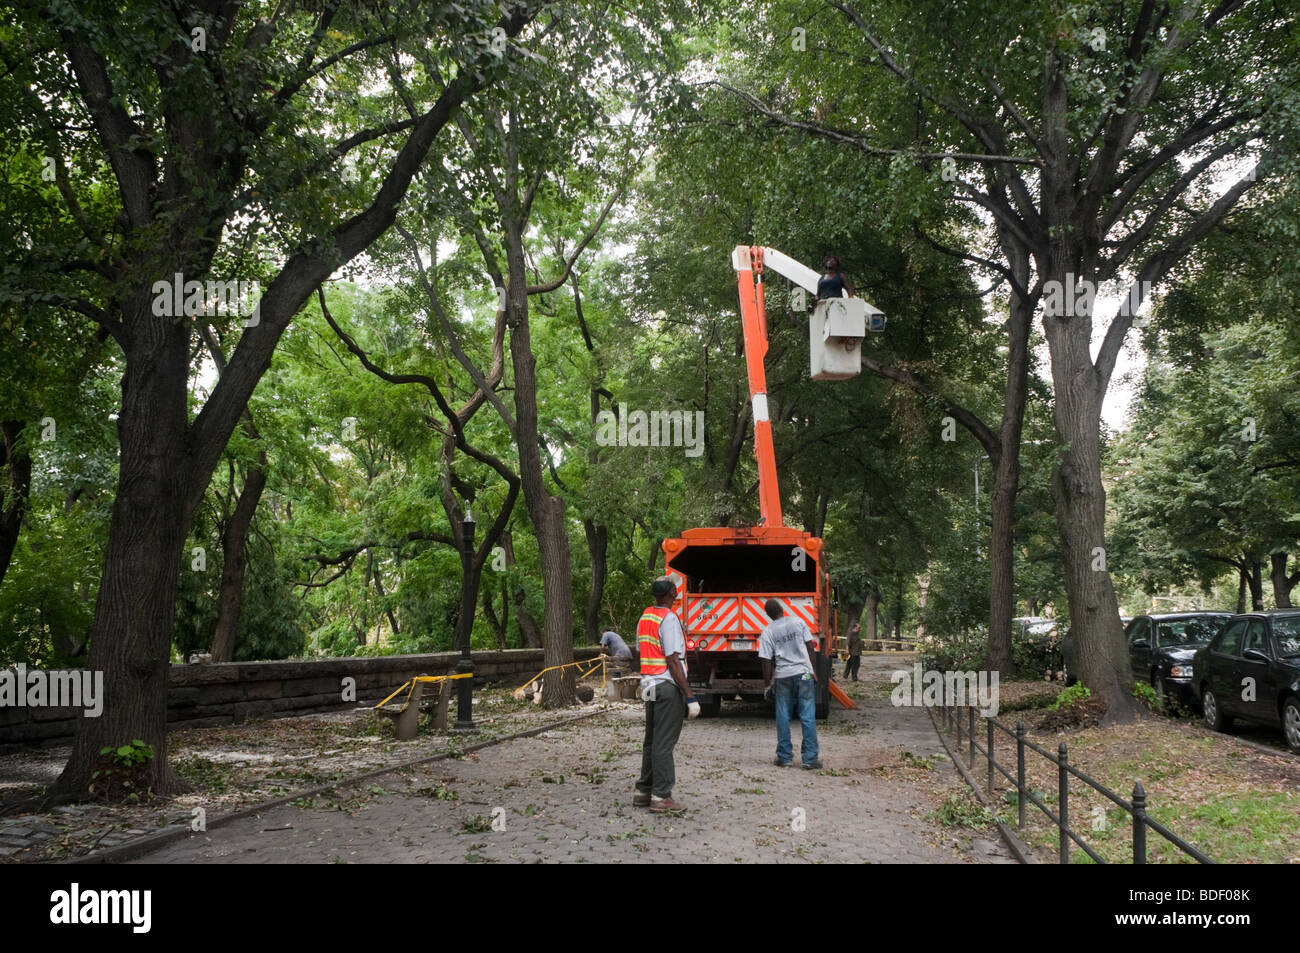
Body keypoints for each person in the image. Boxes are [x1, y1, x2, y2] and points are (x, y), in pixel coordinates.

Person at [634, 577, 700, 812]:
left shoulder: (645, 617)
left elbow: (640, 651)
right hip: (666, 686)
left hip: (649, 686)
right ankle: (661, 797)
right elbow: (673, 659)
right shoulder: (669, 619)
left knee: (651, 740)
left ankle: (644, 790)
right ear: (673, 592)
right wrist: (690, 696)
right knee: (664, 742)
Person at [758, 599, 822, 769]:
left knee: (782, 716)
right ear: (782, 609)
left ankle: (784, 758)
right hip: (804, 675)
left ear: (768, 615)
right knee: (807, 715)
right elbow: (810, 647)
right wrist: (813, 670)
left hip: (783, 677)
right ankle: (810, 759)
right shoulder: (799, 621)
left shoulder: (768, 632)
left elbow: (765, 661)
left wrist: (767, 685)